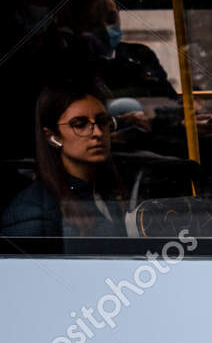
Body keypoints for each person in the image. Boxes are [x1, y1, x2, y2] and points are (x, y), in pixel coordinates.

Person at [2, 82, 125, 239]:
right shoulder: (33, 215)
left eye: (103, 121)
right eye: (80, 125)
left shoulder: (105, 191)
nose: (98, 133)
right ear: (52, 137)